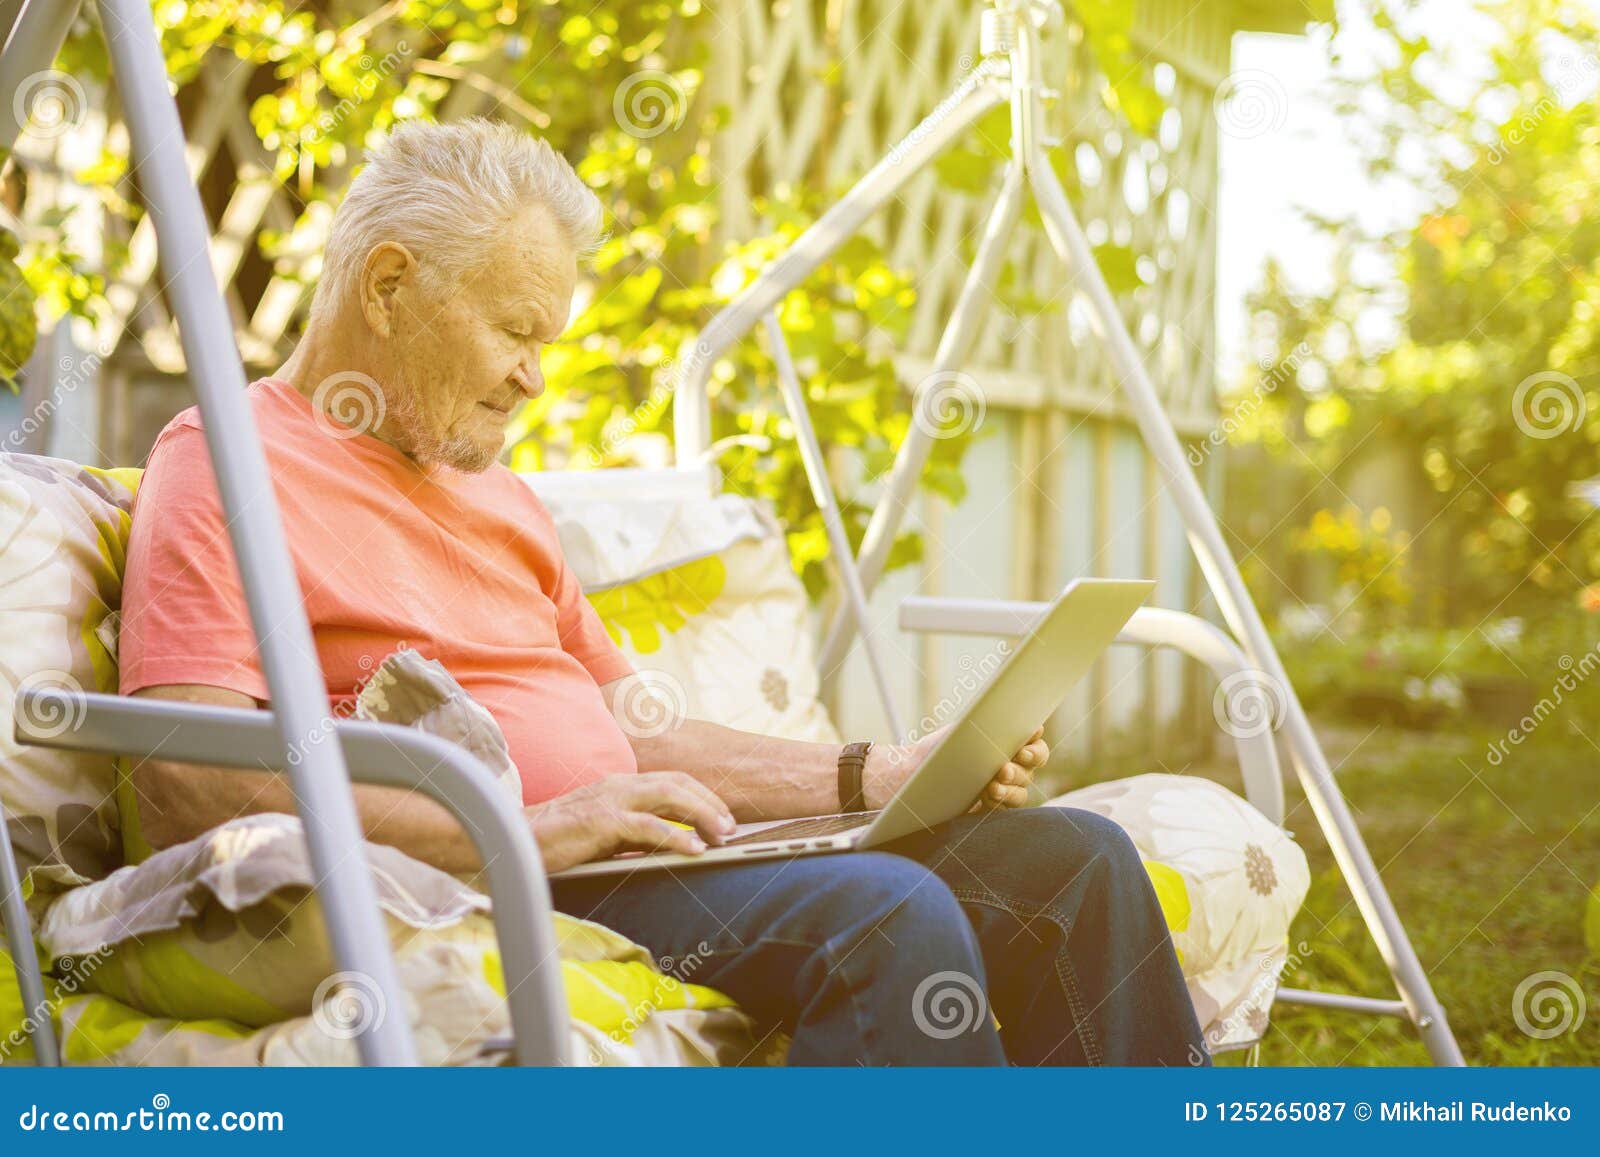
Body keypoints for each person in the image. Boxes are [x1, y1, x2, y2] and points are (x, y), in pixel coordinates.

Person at [118, 118, 1206, 1066]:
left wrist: (882, 772)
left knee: (1079, 868)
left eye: (547, 341)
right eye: (515, 331)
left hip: (627, 850)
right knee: (887, 918)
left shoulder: (494, 493)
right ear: (391, 285)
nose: (533, 376)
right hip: (508, 877)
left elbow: (634, 728)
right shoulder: (225, 464)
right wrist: (531, 826)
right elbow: (189, 775)